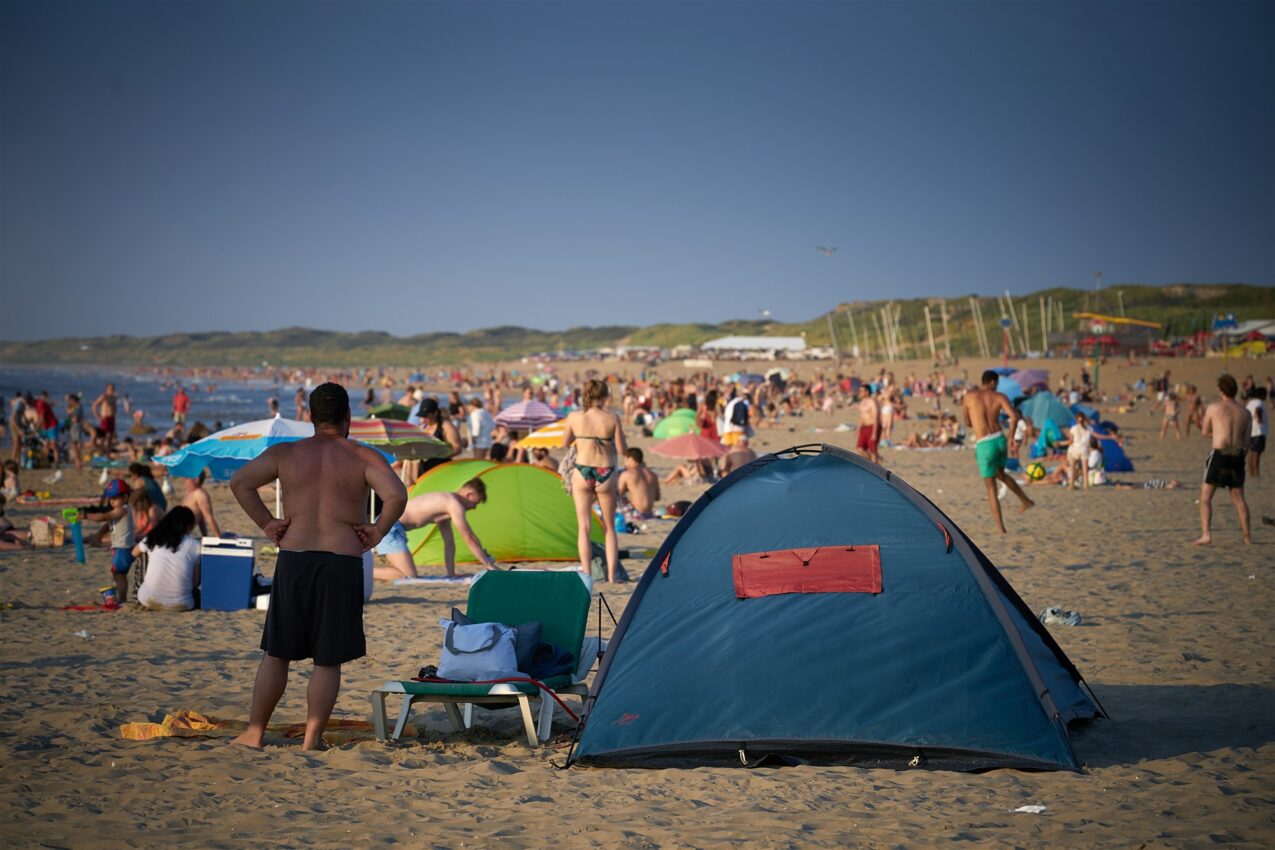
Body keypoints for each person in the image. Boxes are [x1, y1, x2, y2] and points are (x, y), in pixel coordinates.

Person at [228, 383, 407, 751]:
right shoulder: (363, 456)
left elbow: (240, 482)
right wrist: (376, 531)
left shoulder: (286, 453)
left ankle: (255, 733)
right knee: (327, 659)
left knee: (277, 653)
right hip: (340, 563)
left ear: (309, 417)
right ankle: (312, 739)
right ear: (348, 418)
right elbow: (397, 495)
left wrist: (267, 523)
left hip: (295, 559)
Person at [563, 378, 626, 583]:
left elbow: (565, 442)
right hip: (605, 471)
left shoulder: (574, 416)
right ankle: (611, 575)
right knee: (609, 527)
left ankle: (587, 573)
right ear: (605, 396)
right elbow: (623, 450)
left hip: (582, 471)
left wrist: (583, 438)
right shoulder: (612, 418)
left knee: (584, 527)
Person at [372, 478, 494, 581]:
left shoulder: (445, 507)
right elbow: (469, 538)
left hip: (391, 525)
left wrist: (451, 574)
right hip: (390, 525)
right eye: (475, 503)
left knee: (407, 574)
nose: (474, 508)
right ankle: (364, 572)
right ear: (469, 495)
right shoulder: (454, 504)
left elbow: (449, 543)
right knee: (408, 576)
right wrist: (488, 565)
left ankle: (366, 572)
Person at [962, 370, 1034, 534]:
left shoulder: (969, 397)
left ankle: (1001, 528)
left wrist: (978, 423)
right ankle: (1025, 500)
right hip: (1000, 440)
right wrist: (1010, 437)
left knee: (991, 489)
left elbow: (967, 421)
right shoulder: (999, 396)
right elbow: (1014, 417)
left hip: (984, 444)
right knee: (1001, 474)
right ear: (992, 382)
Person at [1193, 375, 1252, 545]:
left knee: (1205, 498)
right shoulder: (1245, 412)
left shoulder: (1213, 408)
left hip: (1219, 454)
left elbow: (1204, 432)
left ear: (1221, 391)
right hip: (1237, 455)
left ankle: (1206, 534)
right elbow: (1247, 442)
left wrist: (1216, 434)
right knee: (1239, 499)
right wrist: (1242, 458)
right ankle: (1247, 536)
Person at [133, 506, 201, 611]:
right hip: (183, 604)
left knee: (143, 553)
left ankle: (136, 594)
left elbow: (134, 552)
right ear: (188, 527)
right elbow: (195, 583)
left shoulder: (154, 537)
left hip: (148, 599)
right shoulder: (195, 545)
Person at [81, 479, 135, 606]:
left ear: (125, 497)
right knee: (118, 575)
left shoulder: (122, 509)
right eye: (111, 498)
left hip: (123, 548)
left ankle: (122, 600)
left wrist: (86, 516)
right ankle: (122, 599)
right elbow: (108, 523)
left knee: (119, 574)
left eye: (115, 498)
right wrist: (99, 534)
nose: (112, 501)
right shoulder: (118, 510)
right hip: (120, 548)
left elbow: (104, 517)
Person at [617, 448, 660, 518]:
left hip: (636, 514)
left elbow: (617, 496)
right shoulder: (653, 474)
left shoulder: (627, 474)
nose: (625, 463)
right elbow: (657, 497)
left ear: (631, 459)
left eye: (626, 460)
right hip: (649, 514)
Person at [180, 471, 220, 538]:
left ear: (196, 480)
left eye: (187, 478)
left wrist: (218, 538)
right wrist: (205, 536)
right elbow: (201, 517)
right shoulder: (190, 495)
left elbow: (207, 518)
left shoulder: (199, 494)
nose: (184, 480)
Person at [1244, 387, 1267, 479]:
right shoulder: (1259, 402)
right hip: (1259, 431)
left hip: (1251, 431)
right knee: (1257, 454)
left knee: (1252, 453)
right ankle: (1256, 473)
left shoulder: (1250, 403)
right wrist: (1260, 419)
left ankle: (1252, 473)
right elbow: (1258, 409)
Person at [855, 385, 881, 464]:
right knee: (859, 449)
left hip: (872, 427)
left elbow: (876, 418)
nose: (860, 393)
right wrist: (858, 429)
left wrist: (874, 433)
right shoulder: (862, 402)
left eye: (861, 391)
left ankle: (875, 465)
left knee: (873, 451)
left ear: (867, 392)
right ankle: (875, 461)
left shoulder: (872, 402)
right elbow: (862, 417)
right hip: (864, 427)